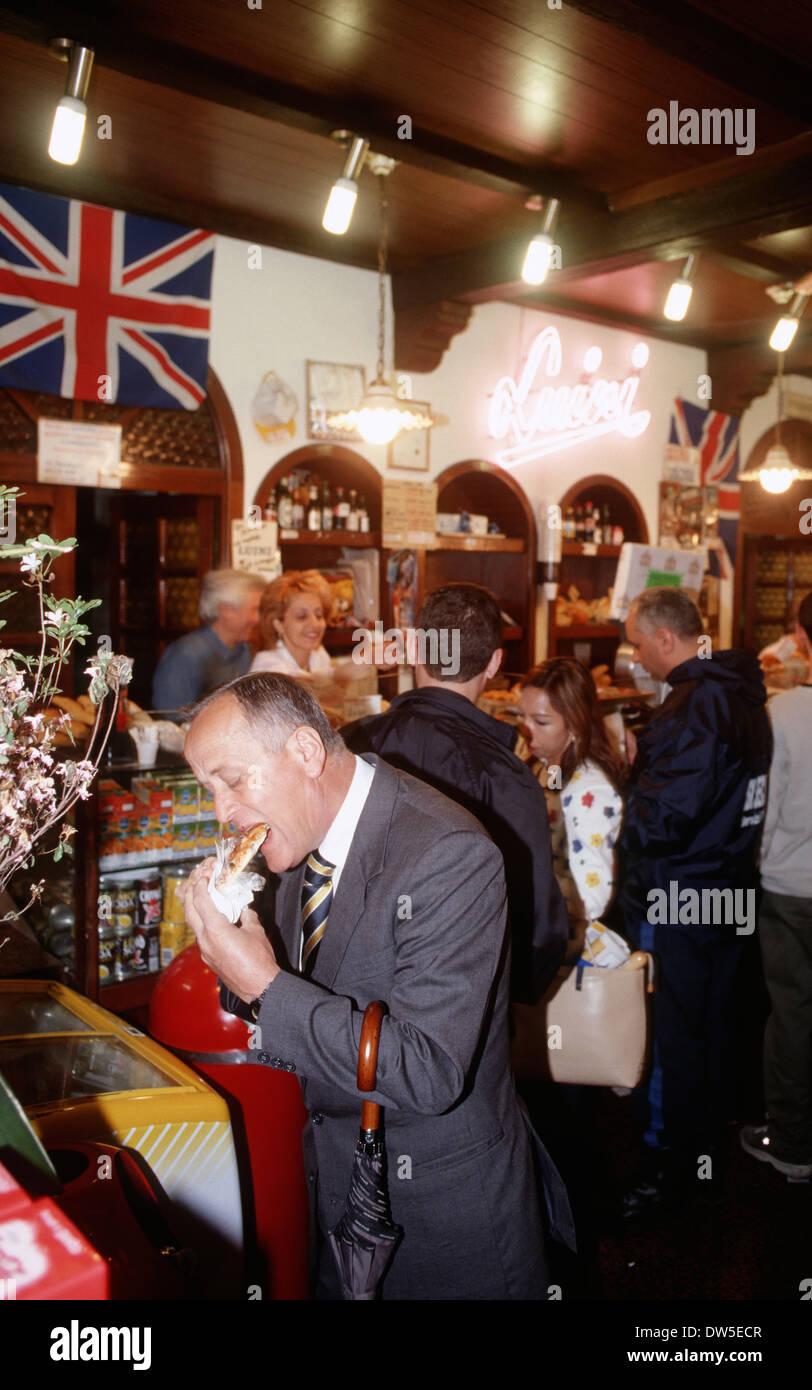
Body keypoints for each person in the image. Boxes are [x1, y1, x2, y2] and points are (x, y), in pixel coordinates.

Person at [180, 671, 573, 1300]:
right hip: (339, 1197)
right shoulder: (291, 842)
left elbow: (429, 1070)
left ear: (306, 752)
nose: (222, 811)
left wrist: (262, 982)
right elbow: (280, 1002)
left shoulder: (448, 852)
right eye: (210, 789)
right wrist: (228, 941)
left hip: (447, 1222)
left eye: (231, 780)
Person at [618, 586, 772, 1214]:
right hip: (732, 884)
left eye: (636, 642)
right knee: (712, 1024)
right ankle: (704, 1147)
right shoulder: (742, 693)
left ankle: (670, 1164)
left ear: (664, 638)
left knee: (675, 1034)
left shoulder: (695, 705)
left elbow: (665, 817)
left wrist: (630, 779)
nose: (634, 656)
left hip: (685, 891)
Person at [343, 583, 568, 1004]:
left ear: (413, 649)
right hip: (463, 1004)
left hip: (345, 1007)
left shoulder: (348, 746)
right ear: (495, 664)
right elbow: (536, 926)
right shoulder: (509, 779)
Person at [741, 590, 812, 1180]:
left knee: (792, 1014)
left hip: (790, 888)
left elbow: (764, 807)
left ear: (801, 638)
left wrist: (756, 865)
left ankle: (792, 1143)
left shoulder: (784, 711)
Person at [517, 657, 624, 957]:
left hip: (568, 949)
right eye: (521, 717)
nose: (527, 731)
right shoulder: (542, 766)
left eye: (541, 722)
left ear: (575, 724)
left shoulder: (589, 790)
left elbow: (593, 895)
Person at [151, 568, 264, 716]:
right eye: (254, 610)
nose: (258, 619)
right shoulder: (186, 654)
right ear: (226, 610)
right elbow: (171, 717)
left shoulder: (243, 650)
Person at [251, 570, 334, 677]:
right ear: (279, 625)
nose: (315, 624)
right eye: (302, 617)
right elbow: (297, 682)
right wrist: (340, 674)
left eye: (319, 615)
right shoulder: (266, 664)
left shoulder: (319, 655)